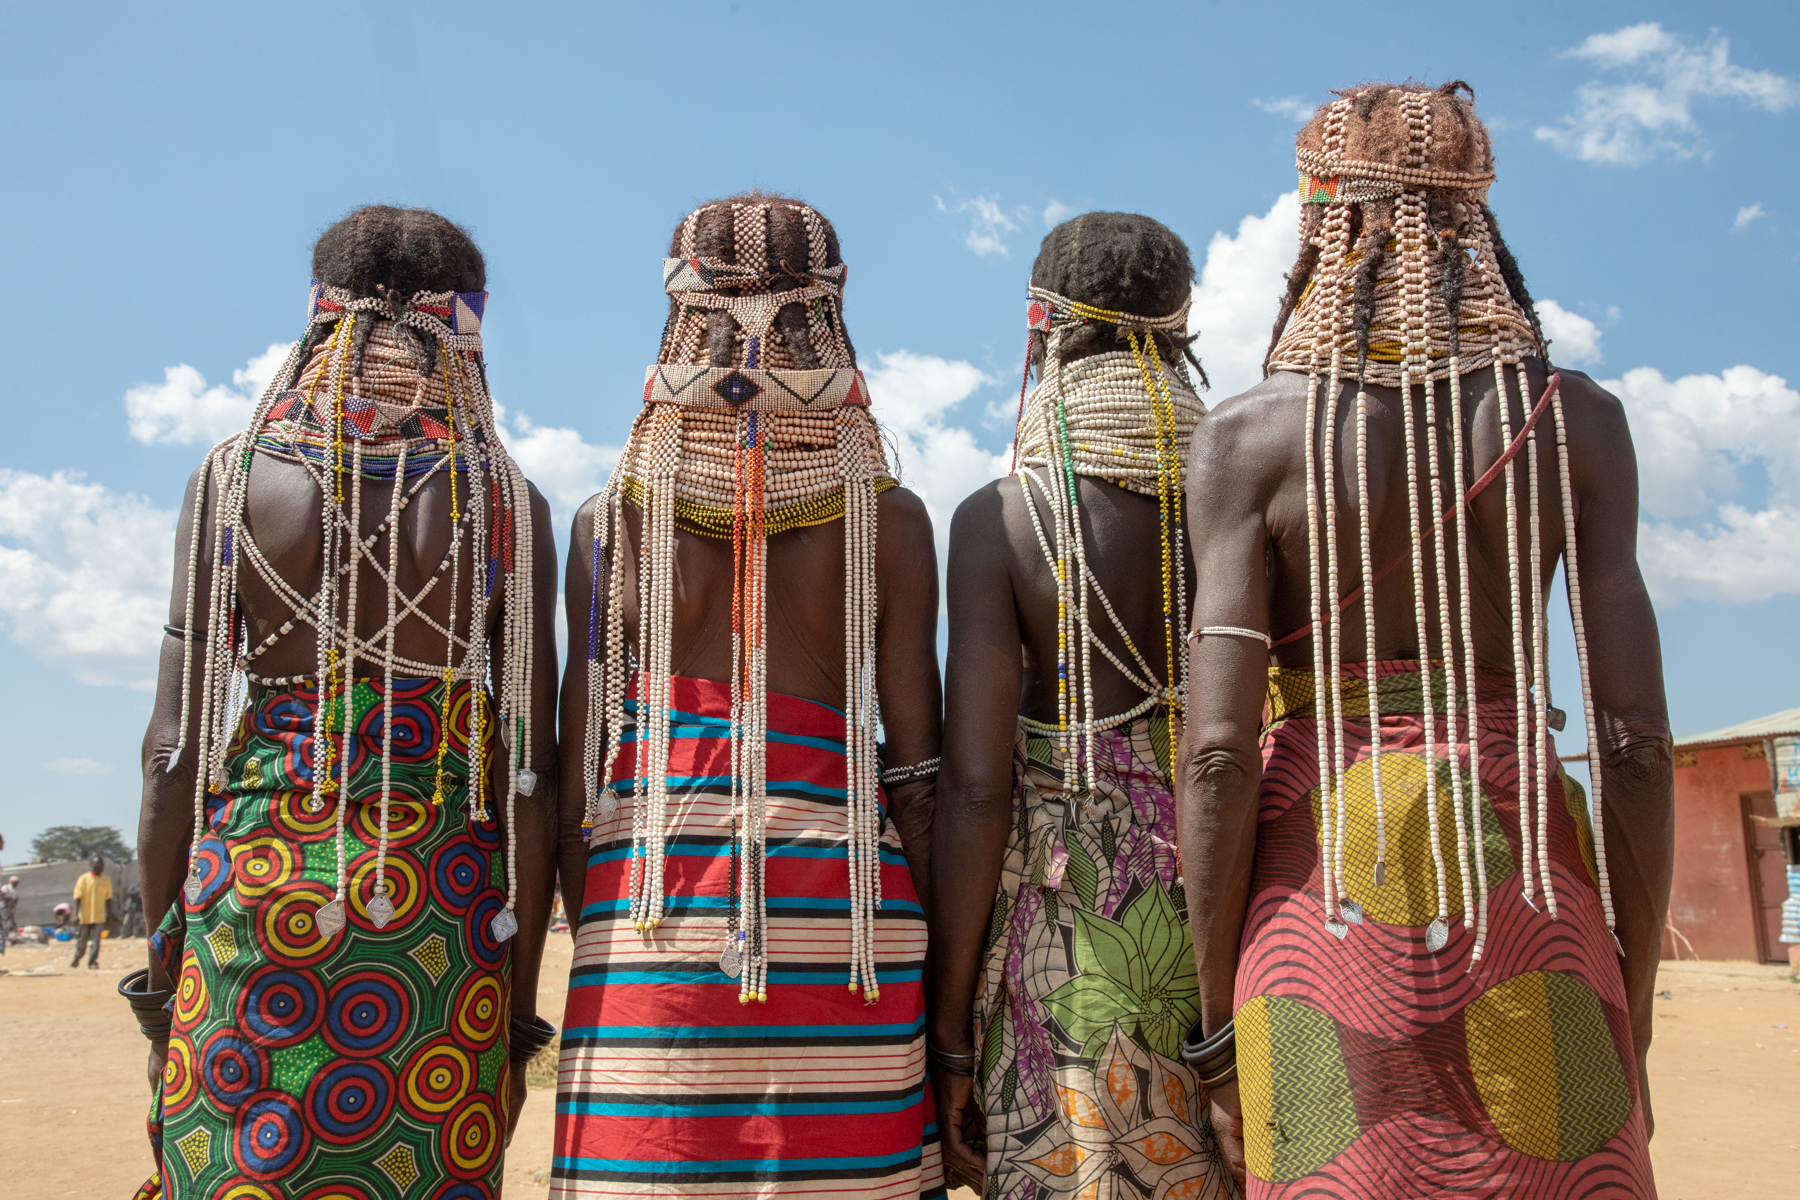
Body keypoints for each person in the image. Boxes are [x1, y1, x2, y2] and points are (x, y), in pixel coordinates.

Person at [1178, 83, 1672, 1197]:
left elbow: (1215, 757)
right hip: (1528, 882)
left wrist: (1220, 1034)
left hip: (1319, 907)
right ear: (1478, 216)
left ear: (1321, 219)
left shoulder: (1249, 436)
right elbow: (1635, 744)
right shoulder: (1574, 420)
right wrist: (1631, 997)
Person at [131, 206, 560, 1198]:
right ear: (467, 330)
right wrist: (515, 1013)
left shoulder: (232, 479)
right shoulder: (505, 501)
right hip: (435, 913)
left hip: (254, 891)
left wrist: (161, 990)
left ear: (318, 321)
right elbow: (530, 778)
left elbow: (171, 754)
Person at [551, 193, 945, 1198]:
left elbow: (578, 775)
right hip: (849, 919)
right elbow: (920, 775)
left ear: (680, 318)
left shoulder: (611, 520)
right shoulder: (889, 519)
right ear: (830, 316)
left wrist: (595, 924)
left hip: (651, 909)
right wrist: (941, 968)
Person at [930, 213, 1236, 1199]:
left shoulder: (1003, 518)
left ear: (1043, 327)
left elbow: (977, 791)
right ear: (1180, 328)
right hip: (1238, 887)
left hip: (1068, 917)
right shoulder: (1244, 494)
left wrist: (948, 1030)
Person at [72, 856, 115, 969]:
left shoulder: (106, 880)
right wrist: (76, 914)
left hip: (99, 916)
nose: (99, 866)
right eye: (96, 864)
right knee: (82, 941)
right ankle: (77, 957)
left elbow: (108, 898)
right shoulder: (83, 879)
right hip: (85, 916)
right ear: (91, 865)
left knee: (96, 942)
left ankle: (92, 962)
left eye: (101, 864)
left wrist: (109, 914)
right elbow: (77, 897)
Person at [0, 874, 19, 954]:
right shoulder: (8, 889)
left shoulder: (11, 889)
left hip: (6, 908)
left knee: (7, 923)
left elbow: (15, 899)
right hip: (5, 908)